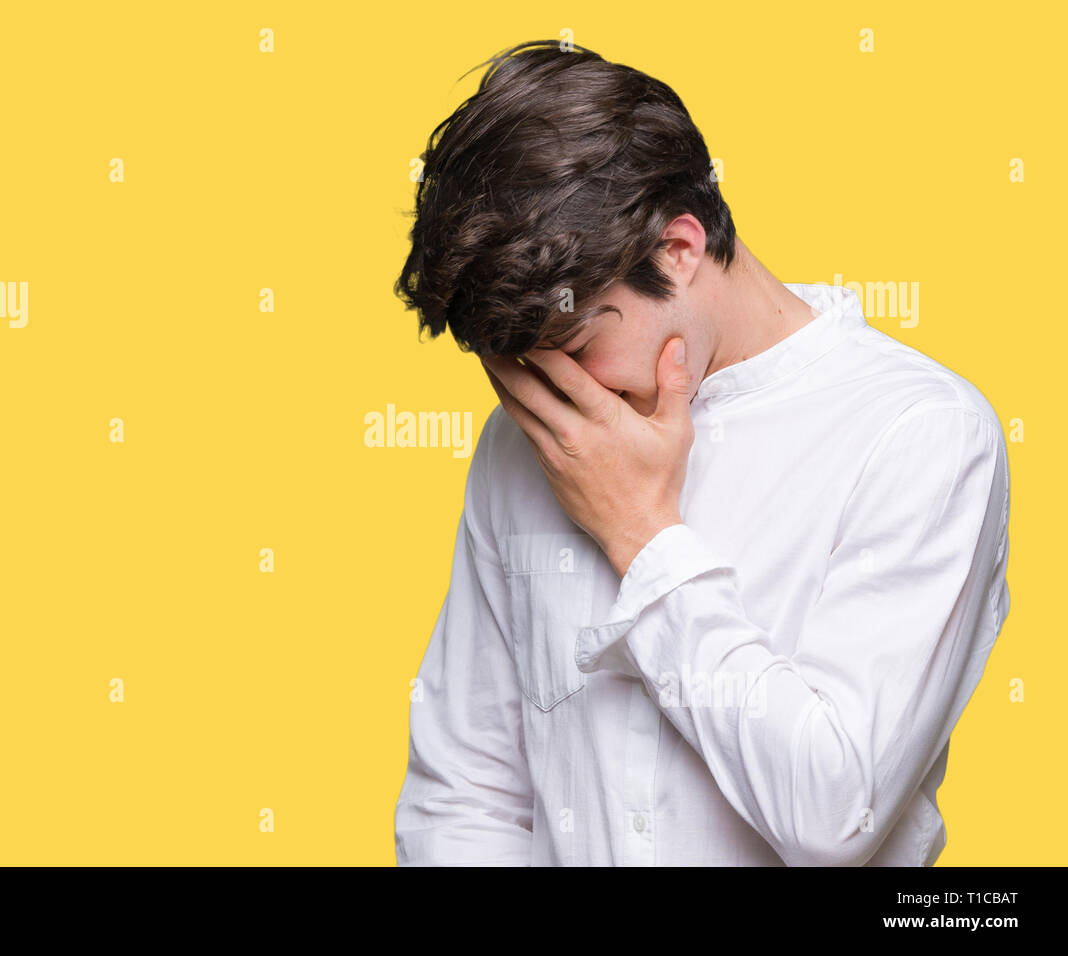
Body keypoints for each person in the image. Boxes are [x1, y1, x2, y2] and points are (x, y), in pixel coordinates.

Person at [392, 39, 1012, 866]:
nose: (559, 395)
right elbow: (464, 794)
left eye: (574, 343)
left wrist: (643, 536)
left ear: (678, 249)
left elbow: (834, 812)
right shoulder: (533, 432)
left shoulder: (919, 435)